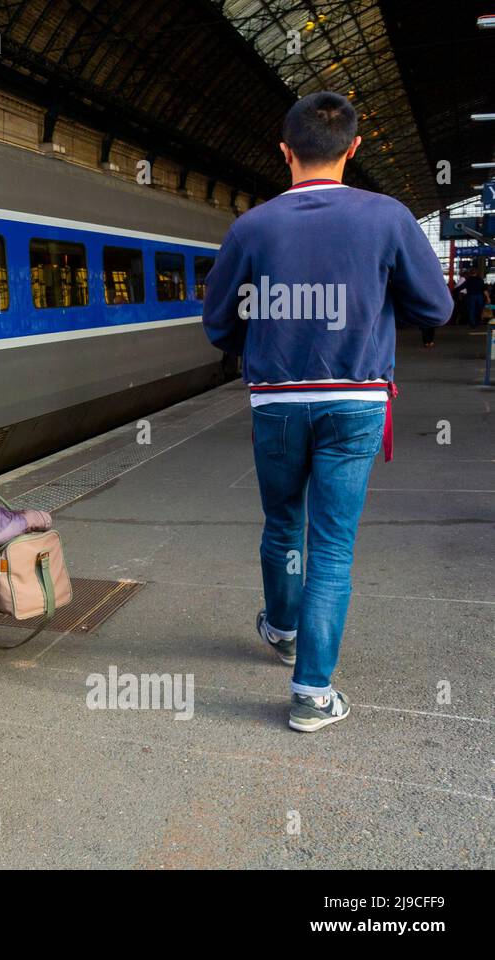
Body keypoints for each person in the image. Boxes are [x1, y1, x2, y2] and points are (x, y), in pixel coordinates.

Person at [204, 92, 451, 733]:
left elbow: (219, 324)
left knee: (283, 523)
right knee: (333, 548)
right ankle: (312, 693)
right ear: (355, 149)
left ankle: (283, 629)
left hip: (277, 404)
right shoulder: (388, 217)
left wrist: (261, 343)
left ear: (284, 151)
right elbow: (437, 309)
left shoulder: (252, 228)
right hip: (357, 400)